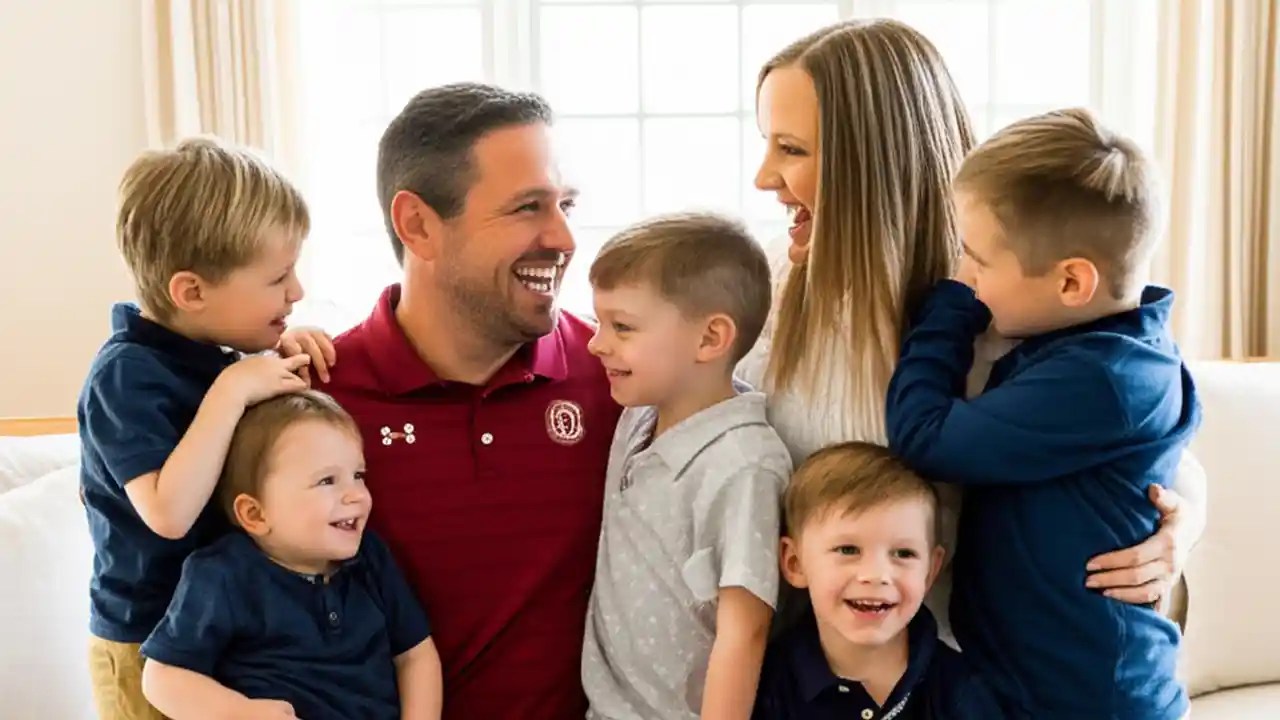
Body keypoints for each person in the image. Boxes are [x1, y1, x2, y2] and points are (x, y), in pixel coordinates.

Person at [741, 18, 1207, 640]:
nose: (763, 177)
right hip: (807, 668)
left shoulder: (1020, 301)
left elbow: (1148, 443)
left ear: (875, 167)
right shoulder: (775, 281)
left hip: (962, 674)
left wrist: (1185, 525)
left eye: (791, 149)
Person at [316, 83, 622, 720]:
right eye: (527, 208)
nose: (564, 237)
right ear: (418, 225)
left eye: (566, 203)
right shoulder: (311, 400)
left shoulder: (618, 380)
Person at [886, 108, 1199, 719]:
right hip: (1025, 684)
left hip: (1086, 700)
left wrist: (951, 309)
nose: (967, 275)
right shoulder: (1105, 347)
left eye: (978, 261)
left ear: (1072, 282)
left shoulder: (1103, 379)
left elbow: (923, 436)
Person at [78, 137, 313, 719]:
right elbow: (168, 512)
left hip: (217, 625)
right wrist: (233, 390)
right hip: (144, 641)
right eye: (278, 278)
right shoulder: (125, 376)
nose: (297, 292)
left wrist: (290, 361)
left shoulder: (217, 356)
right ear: (192, 292)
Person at [581, 213, 791, 719]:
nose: (596, 343)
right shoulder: (636, 416)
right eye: (598, 323)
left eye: (622, 327)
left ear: (711, 338)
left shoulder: (745, 465)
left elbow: (745, 632)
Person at [140, 390, 443, 720]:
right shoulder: (223, 574)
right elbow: (162, 678)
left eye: (358, 475)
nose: (356, 495)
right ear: (256, 515)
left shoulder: (371, 558)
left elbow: (415, 655)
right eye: (327, 480)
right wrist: (240, 713)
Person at [754, 442, 1000, 719]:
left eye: (903, 554)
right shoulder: (769, 685)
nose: (876, 575)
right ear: (795, 563)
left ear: (930, 571)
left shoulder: (961, 692)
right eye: (848, 550)